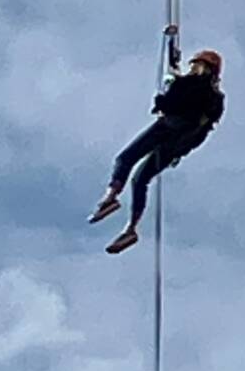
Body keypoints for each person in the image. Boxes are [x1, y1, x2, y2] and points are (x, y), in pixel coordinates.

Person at [89, 46, 225, 254]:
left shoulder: (195, 86)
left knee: (125, 159)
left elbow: (172, 102)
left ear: (203, 67)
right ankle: (130, 228)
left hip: (168, 129)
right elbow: (201, 127)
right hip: (176, 144)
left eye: (197, 64)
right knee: (140, 179)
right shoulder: (214, 98)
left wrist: (169, 88)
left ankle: (111, 197)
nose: (194, 67)